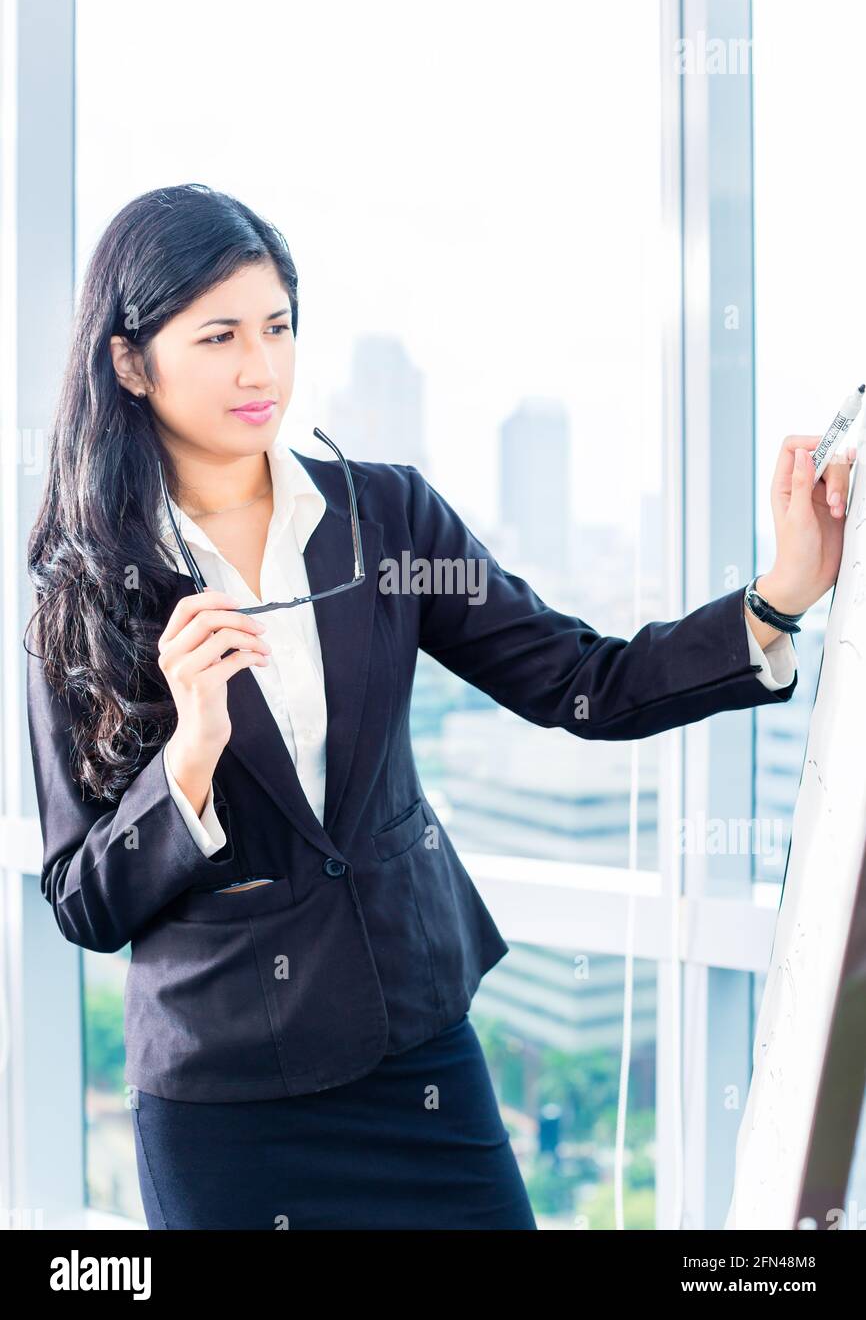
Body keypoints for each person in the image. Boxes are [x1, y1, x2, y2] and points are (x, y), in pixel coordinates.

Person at [24, 184, 853, 1230]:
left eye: (277, 326)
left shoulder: (386, 515)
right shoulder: (88, 592)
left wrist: (774, 596)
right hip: (225, 1106)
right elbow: (82, 900)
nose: (260, 368)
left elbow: (576, 681)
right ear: (131, 360)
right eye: (220, 334)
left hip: (413, 1049)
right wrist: (187, 757)